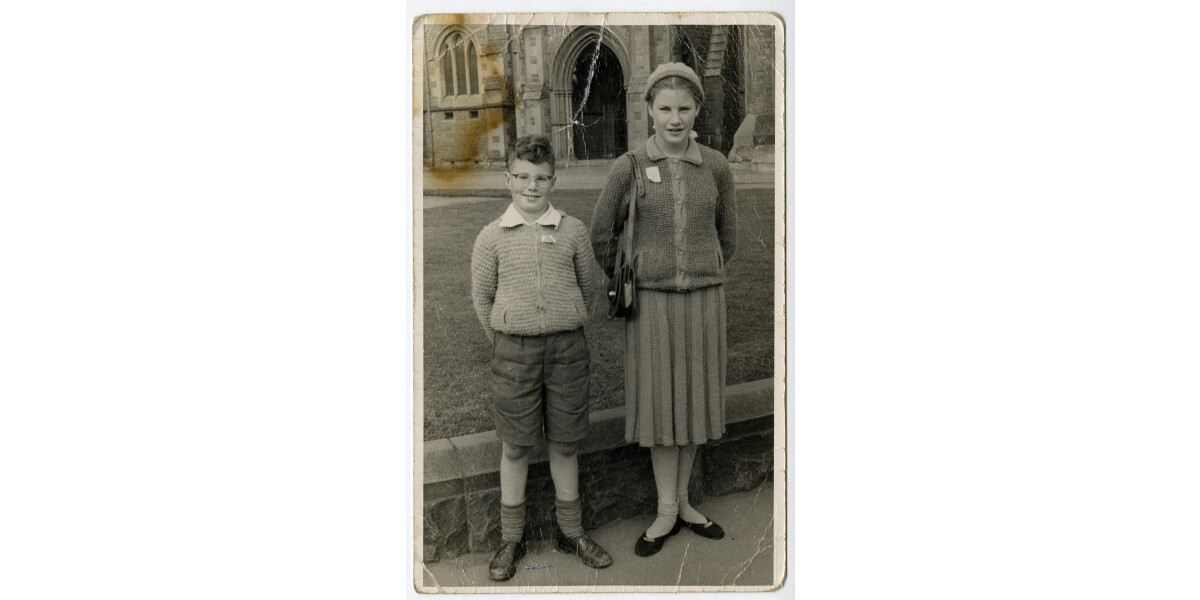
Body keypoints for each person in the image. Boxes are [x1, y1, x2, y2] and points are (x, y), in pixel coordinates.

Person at [591, 63, 737, 557]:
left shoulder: (716, 165)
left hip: (703, 302)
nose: (675, 119)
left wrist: (702, 267)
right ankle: (666, 510)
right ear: (649, 109)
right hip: (650, 305)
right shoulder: (628, 165)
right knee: (659, 405)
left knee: (694, 401)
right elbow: (601, 233)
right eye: (665, 108)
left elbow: (729, 234)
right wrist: (628, 277)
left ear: (697, 109)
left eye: (684, 108)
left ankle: (687, 506)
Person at [471, 135, 613, 581]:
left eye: (541, 179)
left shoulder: (571, 230)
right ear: (508, 178)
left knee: (565, 442)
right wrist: (511, 332)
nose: (532, 187)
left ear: (553, 180)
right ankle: (511, 538)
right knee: (514, 445)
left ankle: (570, 531)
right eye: (522, 177)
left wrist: (564, 318)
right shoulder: (491, 237)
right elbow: (482, 299)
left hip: (568, 349)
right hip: (514, 352)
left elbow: (589, 286)